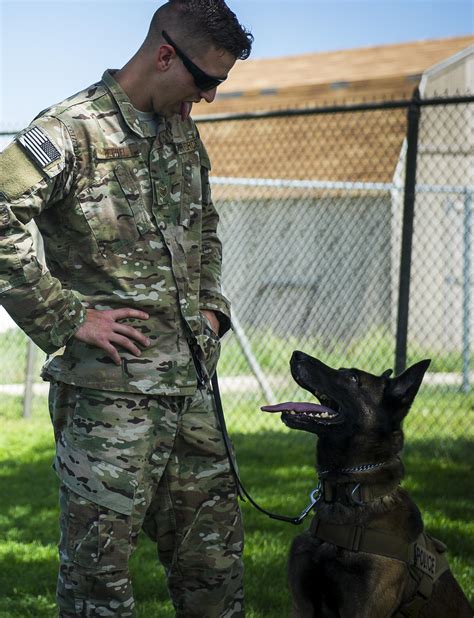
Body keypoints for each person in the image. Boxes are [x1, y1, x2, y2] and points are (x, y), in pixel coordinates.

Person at [0, 1, 253, 615]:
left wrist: (213, 308)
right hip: (107, 401)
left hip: (190, 390)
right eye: (207, 81)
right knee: (98, 583)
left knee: (215, 571)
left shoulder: (180, 131)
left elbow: (206, 227)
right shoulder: (69, 130)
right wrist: (67, 318)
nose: (211, 98)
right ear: (166, 54)